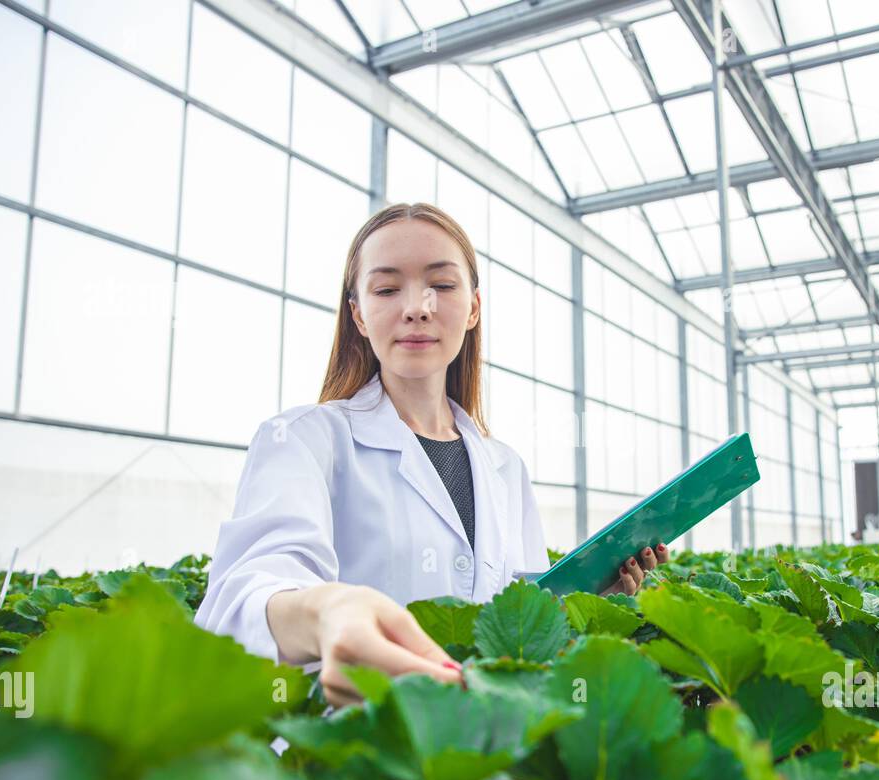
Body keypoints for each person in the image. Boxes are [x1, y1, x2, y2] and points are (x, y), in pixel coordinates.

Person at [194, 202, 670, 707]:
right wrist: (325, 611)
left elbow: (524, 621)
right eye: (386, 289)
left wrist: (593, 603)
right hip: (358, 757)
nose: (417, 307)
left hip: (491, 762)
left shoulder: (505, 468)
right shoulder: (303, 441)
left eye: (441, 286)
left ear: (473, 308)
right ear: (357, 314)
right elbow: (245, 592)